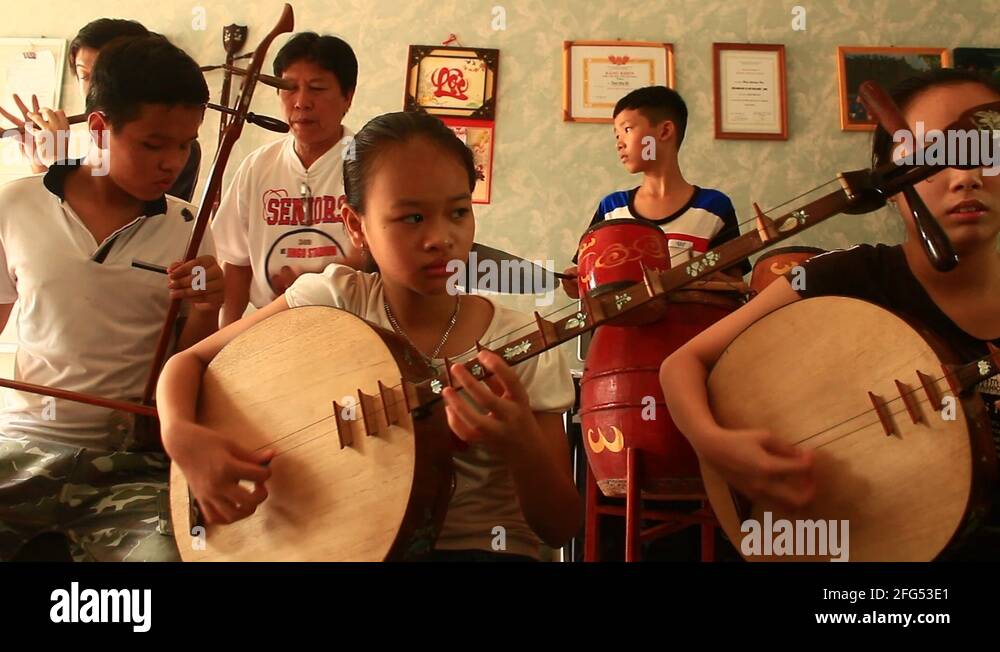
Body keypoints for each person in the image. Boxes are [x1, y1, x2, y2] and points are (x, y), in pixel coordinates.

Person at [158, 111, 583, 560]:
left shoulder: (519, 339)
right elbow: (188, 363)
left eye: (458, 212)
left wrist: (520, 444)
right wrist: (182, 436)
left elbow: (559, 526)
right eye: (412, 217)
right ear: (356, 225)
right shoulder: (334, 298)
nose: (441, 237)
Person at [659, 68, 1000, 559]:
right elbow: (681, 364)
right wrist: (713, 443)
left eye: (982, 149)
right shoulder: (840, 275)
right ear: (890, 179)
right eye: (931, 157)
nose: (964, 176)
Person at [0, 34, 223, 562]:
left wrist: (209, 306)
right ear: (99, 128)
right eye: (152, 144)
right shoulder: (14, 204)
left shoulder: (188, 226)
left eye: (185, 143)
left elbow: (188, 358)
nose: (171, 162)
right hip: (21, 443)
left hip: (131, 462)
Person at [211, 32, 365, 326]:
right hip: (272, 328)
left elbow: (382, 252)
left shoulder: (370, 162)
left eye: (317, 88)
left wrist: (312, 286)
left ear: (348, 96)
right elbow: (236, 263)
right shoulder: (257, 167)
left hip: (354, 325)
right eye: (289, 88)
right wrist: (225, 341)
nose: (302, 102)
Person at [562, 85, 748, 298]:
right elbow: (588, 281)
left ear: (664, 131)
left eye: (627, 129)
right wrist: (575, 283)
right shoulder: (611, 208)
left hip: (695, 328)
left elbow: (735, 288)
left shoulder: (715, 207)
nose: (619, 144)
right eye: (616, 135)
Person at [0, 18, 202, 202]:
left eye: (100, 76)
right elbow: (50, 225)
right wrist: (40, 165)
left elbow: (120, 221)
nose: (91, 90)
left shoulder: (174, 144)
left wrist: (58, 164)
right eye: (84, 75)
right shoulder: (88, 135)